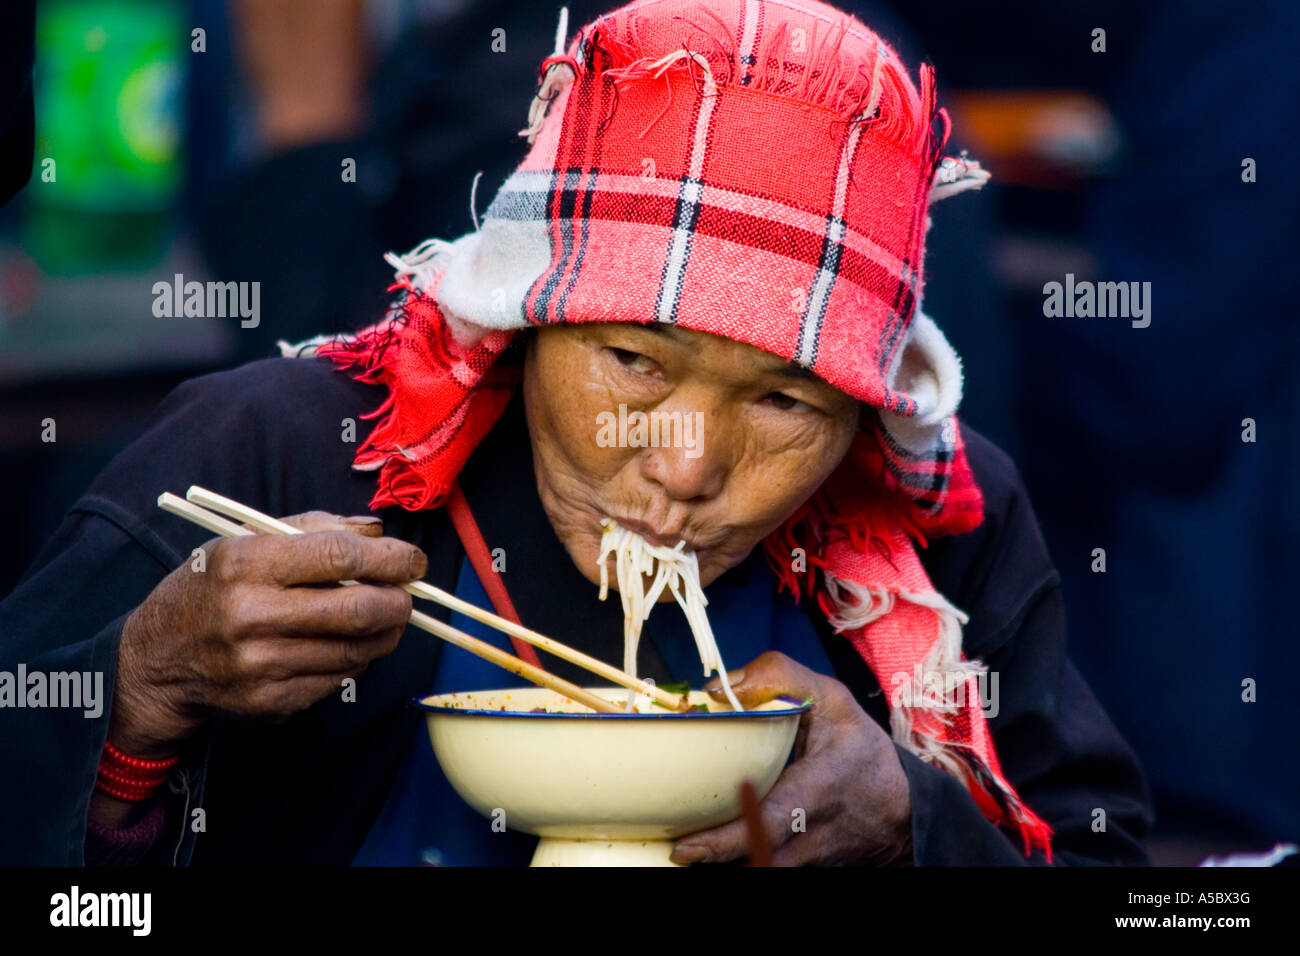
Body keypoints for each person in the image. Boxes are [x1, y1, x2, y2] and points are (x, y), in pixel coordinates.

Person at [0, 0, 1151, 866]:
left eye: (784, 401)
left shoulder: (939, 532)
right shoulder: (273, 456)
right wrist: (134, 706)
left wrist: (920, 820)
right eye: (633, 361)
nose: (685, 465)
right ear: (523, 313)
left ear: (862, 409)